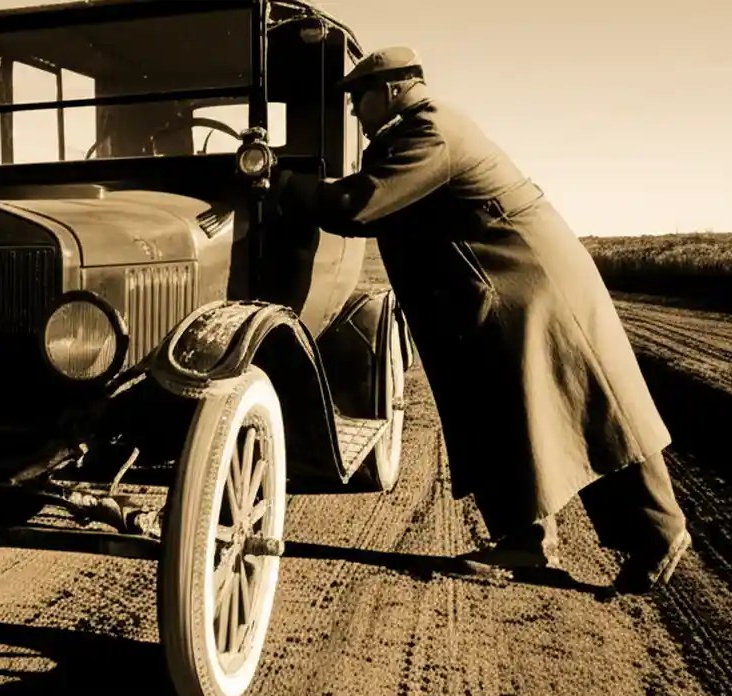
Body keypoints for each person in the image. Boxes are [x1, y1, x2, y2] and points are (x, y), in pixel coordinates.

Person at [266, 46, 691, 594]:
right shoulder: (410, 135)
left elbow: (360, 205)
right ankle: (525, 540)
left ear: (392, 89)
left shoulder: (432, 132)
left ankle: (659, 533)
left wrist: (278, 182)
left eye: (358, 97)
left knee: (590, 405)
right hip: (496, 285)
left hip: (527, 283)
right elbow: (375, 212)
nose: (352, 109)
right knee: (503, 412)